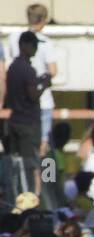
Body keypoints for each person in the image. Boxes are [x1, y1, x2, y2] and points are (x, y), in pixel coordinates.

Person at [3, 31, 48, 193]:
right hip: (28, 124)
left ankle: (16, 194)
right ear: (24, 45)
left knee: (15, 163)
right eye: (33, 45)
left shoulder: (13, 68)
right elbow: (33, 96)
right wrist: (44, 83)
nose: (35, 49)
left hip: (14, 120)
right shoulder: (27, 70)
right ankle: (32, 197)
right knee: (32, 165)